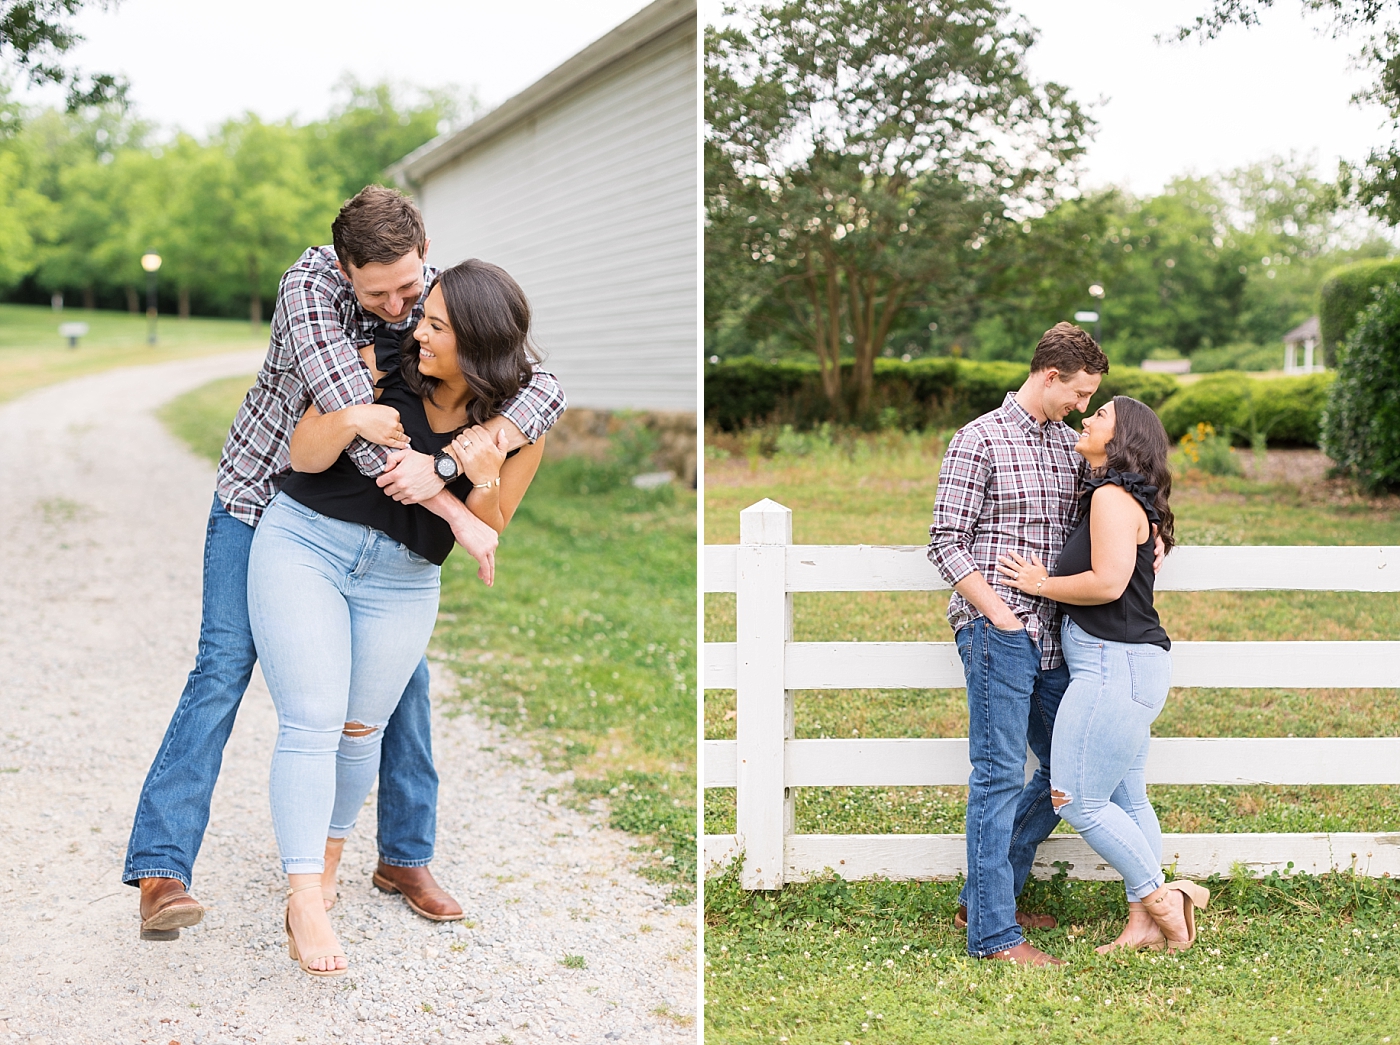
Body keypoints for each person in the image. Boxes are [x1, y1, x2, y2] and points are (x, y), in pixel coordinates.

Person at [125, 187, 566, 940]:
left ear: (422, 252)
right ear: (343, 267)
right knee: (225, 663)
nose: (402, 309)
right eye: (382, 294)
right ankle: (163, 868)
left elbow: (541, 386)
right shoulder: (309, 292)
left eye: (411, 287)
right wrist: (460, 510)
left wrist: (474, 448)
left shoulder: (427, 292)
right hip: (265, 493)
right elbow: (363, 436)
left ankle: (403, 854)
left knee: (403, 683)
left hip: (377, 523)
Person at [248, 258, 544, 976]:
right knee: (313, 715)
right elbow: (305, 451)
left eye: (437, 324)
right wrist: (351, 414)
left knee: (359, 729)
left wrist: (481, 472)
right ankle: (303, 900)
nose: (418, 330)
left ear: (476, 342)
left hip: (404, 582)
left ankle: (329, 862)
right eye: (424, 317)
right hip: (308, 542)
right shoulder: (383, 357)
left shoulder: (513, 422)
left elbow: (493, 519)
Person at [996, 397, 1209, 953]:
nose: (1085, 419)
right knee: (1128, 796)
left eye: (1100, 416)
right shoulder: (1113, 496)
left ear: (1120, 441)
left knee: (1076, 799)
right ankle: (1144, 923)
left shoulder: (1113, 498)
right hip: (1127, 665)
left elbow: (1108, 584)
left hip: (1115, 666)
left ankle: (1164, 899)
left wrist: (1039, 584)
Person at [928, 322, 1108, 967]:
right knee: (1000, 775)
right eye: (1079, 394)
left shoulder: (1069, 448)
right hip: (996, 631)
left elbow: (1103, 522)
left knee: (1072, 769)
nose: (1083, 408)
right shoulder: (979, 439)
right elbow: (944, 541)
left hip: (1060, 638)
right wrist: (1002, 616)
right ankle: (995, 935)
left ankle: (986, 896)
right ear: (1051, 375)